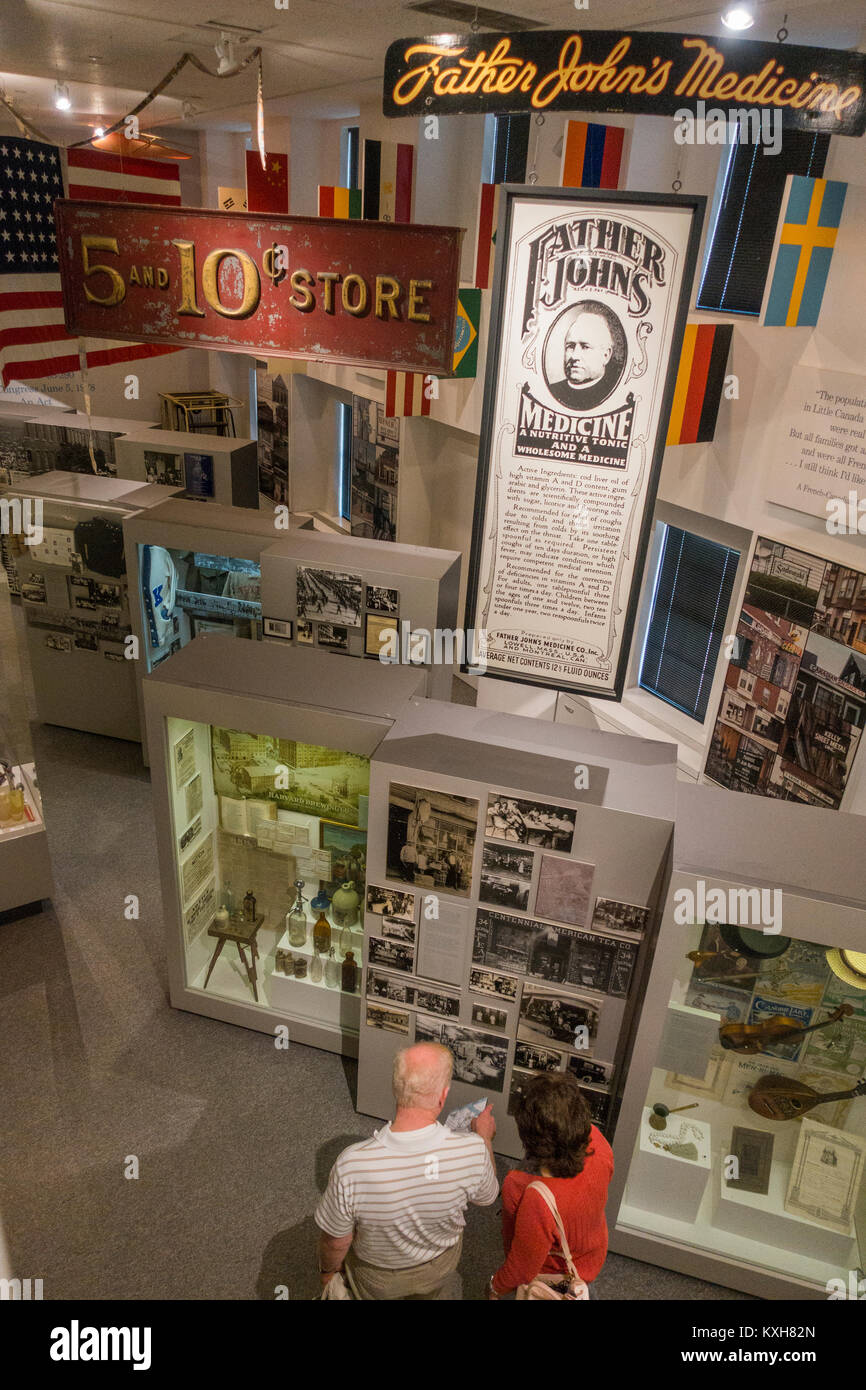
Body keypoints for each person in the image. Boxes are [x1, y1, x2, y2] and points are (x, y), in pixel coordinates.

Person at [315, 1042, 499, 1299]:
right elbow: (487, 1196)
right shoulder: (473, 1151)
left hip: (378, 1276)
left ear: (395, 1088)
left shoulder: (351, 1165)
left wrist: (327, 1272)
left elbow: (336, 1241)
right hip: (441, 1266)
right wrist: (485, 1138)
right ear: (443, 1095)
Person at [487, 1072, 613, 1298]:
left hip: (551, 1279)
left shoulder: (528, 1193)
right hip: (589, 1259)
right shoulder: (599, 1143)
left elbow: (522, 1266)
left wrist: (494, 1287)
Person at [548, 305, 623, 411]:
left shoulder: (617, 397)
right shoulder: (551, 392)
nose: (574, 356)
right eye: (570, 346)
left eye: (585, 347)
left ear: (606, 356)